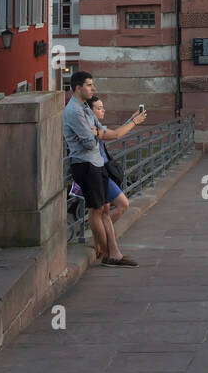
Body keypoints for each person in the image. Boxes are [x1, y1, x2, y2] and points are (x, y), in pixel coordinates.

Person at [62, 71, 146, 266]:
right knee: (97, 209)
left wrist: (99, 132)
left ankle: (113, 253)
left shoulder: (84, 107)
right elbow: (91, 143)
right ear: (78, 88)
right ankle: (108, 254)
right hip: (85, 165)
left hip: (97, 164)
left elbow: (104, 132)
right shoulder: (73, 111)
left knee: (104, 209)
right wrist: (97, 134)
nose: (93, 88)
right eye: (89, 85)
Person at [86, 97, 129, 222]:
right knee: (123, 204)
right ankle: (100, 233)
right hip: (97, 172)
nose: (103, 110)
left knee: (103, 210)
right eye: (99, 108)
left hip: (103, 172)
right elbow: (116, 135)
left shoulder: (96, 126)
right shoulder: (92, 129)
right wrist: (134, 122)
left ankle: (101, 235)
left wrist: (132, 119)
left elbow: (116, 132)